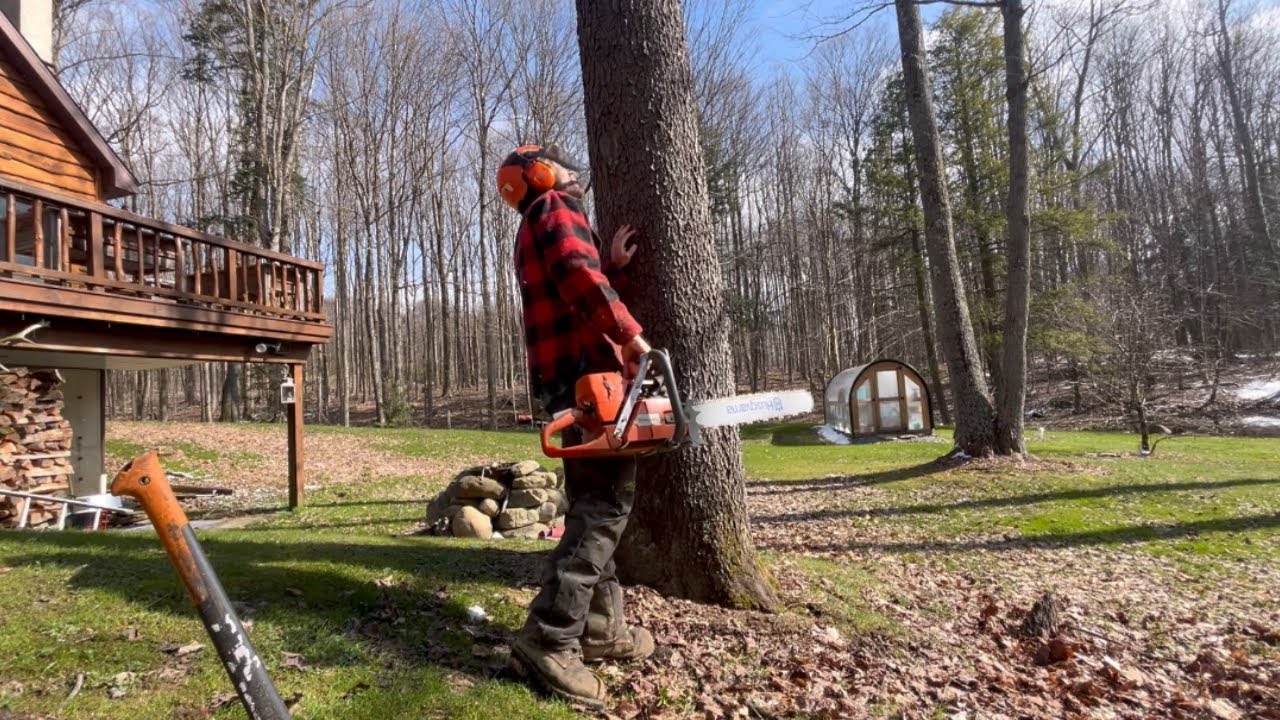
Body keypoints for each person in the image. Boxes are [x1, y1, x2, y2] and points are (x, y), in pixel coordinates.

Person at [496, 143, 656, 709]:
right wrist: (632, 337)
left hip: (565, 377)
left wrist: (608, 263)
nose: (570, 172)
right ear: (542, 173)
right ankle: (550, 635)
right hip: (589, 377)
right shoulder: (554, 209)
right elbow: (577, 276)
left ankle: (600, 629)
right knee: (607, 509)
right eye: (559, 165)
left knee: (594, 503)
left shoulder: (533, 223)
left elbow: (574, 283)